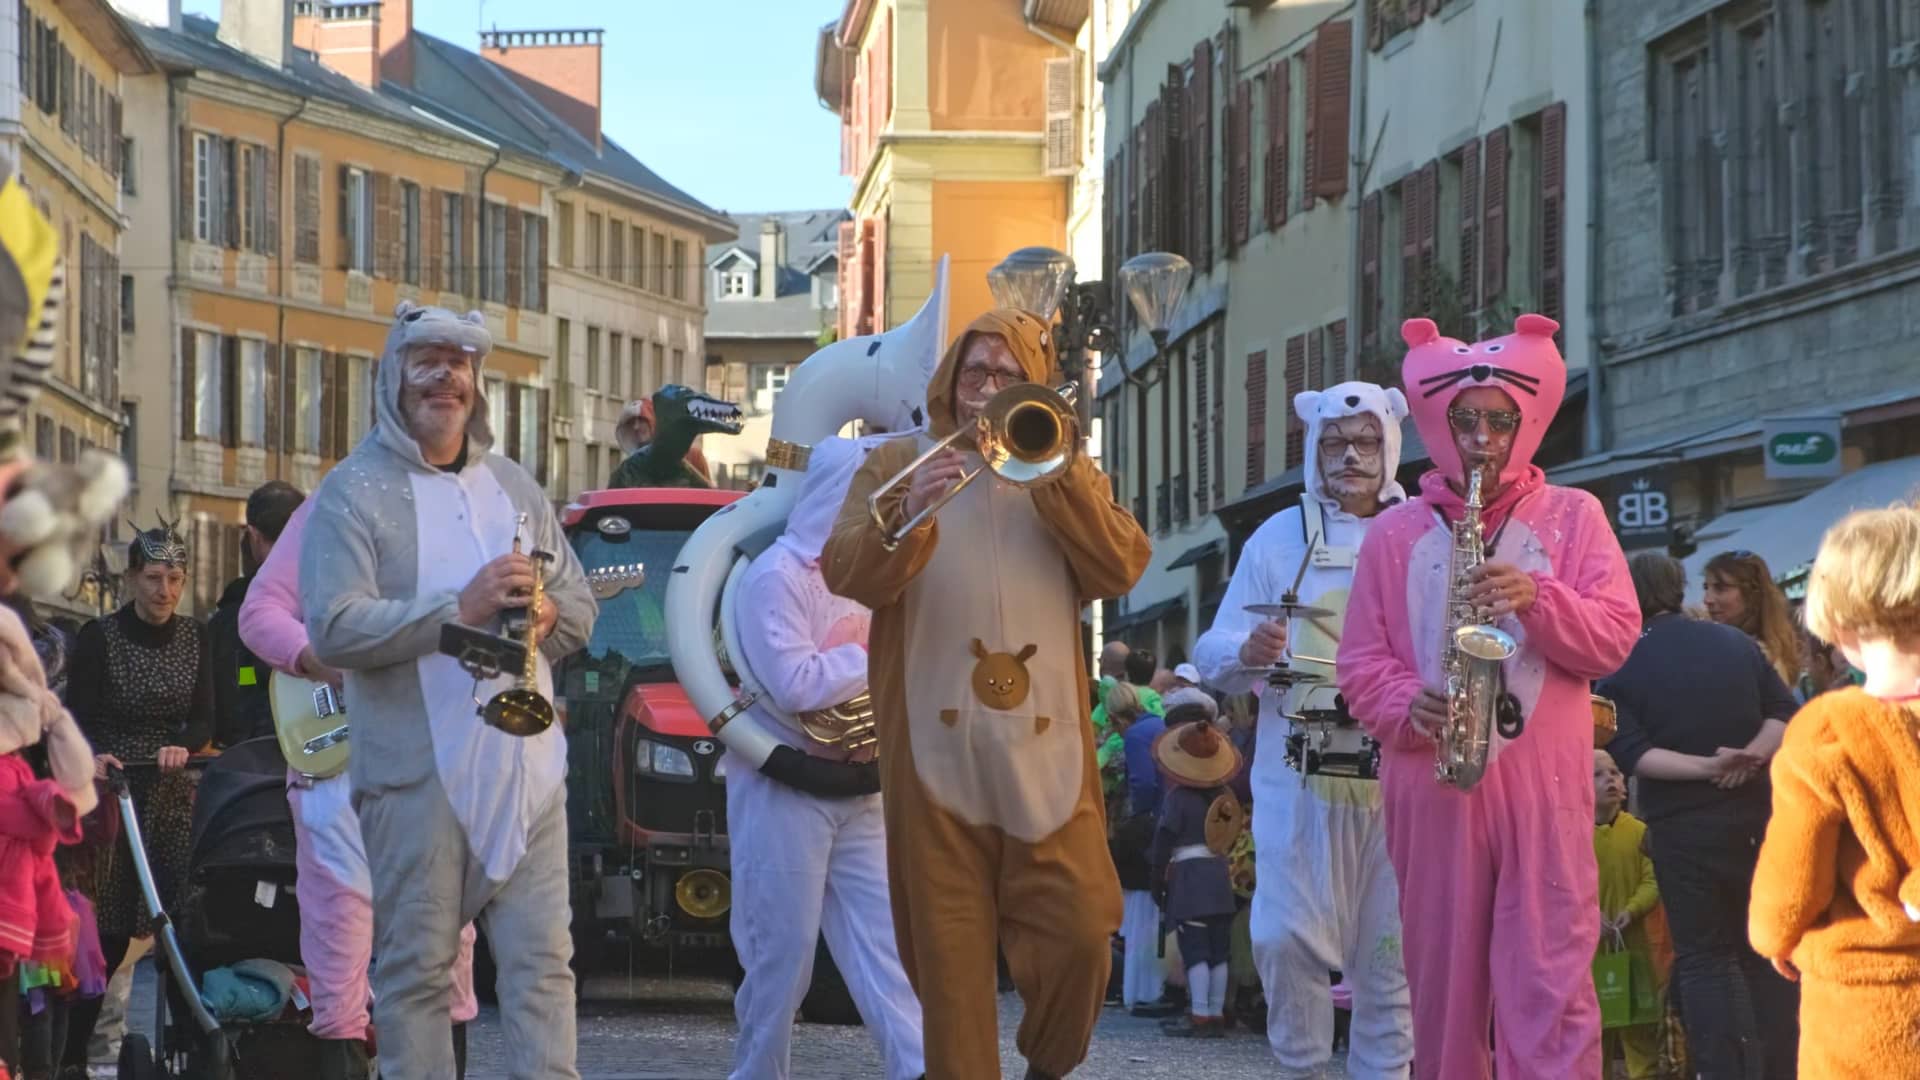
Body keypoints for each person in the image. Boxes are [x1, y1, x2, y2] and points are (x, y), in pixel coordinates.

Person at [821, 308, 1151, 1080]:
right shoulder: (896, 462)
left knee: (1082, 931)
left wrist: (1060, 479)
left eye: (1009, 375)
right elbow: (846, 571)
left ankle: (1047, 1064)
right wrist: (907, 510)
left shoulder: (1066, 470)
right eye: (977, 373)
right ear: (950, 382)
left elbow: (1121, 567)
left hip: (1049, 761)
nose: (990, 389)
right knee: (950, 980)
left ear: (1034, 385)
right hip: (937, 768)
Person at [1338, 315, 1641, 1079]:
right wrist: (1407, 703)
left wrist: (1536, 597)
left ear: (1526, 423)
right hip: (1433, 780)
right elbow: (1360, 661)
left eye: (1499, 422)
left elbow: (1612, 637)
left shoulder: (1577, 517)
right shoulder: (1393, 534)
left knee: (1551, 977)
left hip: (1547, 788)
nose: (1481, 441)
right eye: (1464, 422)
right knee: (1442, 988)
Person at [299, 303, 596, 1079]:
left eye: (459, 365)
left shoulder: (515, 487)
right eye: (427, 362)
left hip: (528, 771)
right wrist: (455, 613)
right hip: (415, 773)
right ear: (393, 376)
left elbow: (582, 613)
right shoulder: (352, 491)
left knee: (544, 970)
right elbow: (332, 628)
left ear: (478, 384)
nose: (446, 379)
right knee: (416, 974)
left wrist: (549, 611)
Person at [1192, 379, 1415, 1080]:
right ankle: (1302, 1068)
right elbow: (1210, 651)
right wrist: (1244, 652)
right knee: (1282, 936)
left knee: (1392, 956)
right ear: (1313, 447)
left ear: (1392, 444)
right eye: (1335, 443)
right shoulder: (1276, 536)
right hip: (1298, 776)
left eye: (1366, 442)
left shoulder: (1421, 532)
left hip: (1396, 777)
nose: (1350, 456)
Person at [239, 493, 480, 1077]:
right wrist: (315, 657)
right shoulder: (333, 506)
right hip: (336, 771)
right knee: (337, 951)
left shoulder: (477, 508)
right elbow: (260, 611)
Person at [725, 434, 925, 1080]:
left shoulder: (877, 575)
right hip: (785, 786)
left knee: (888, 947)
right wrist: (887, 658)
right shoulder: (775, 576)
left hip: (860, 782)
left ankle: (919, 1068)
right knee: (780, 956)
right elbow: (795, 683)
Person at [1597, 552, 1800, 1078]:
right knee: (1763, 950)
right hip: (1755, 817)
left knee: (1704, 959)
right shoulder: (1734, 643)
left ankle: (1721, 1068)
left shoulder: (1619, 663)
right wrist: (1750, 756)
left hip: (1680, 828)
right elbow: (1785, 713)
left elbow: (1635, 755)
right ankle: (1782, 1066)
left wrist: (1707, 766)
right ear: (1677, 587)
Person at [1750, 503, 1920, 1078]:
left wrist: (1776, 934)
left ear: (1840, 629)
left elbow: (1794, 876)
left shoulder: (1828, 729)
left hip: (1866, 1004)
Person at [59, 523, 215, 1071]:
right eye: (152, 578)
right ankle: (73, 1053)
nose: (164, 591)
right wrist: (97, 756)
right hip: (115, 792)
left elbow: (205, 715)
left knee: (180, 925)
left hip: (171, 794)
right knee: (112, 930)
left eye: (174, 579)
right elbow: (76, 716)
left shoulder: (197, 637)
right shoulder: (101, 638)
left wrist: (185, 745)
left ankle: (195, 1043)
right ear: (130, 578)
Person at [1147, 720, 1244, 1039]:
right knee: (1219, 948)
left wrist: (1156, 878)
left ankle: (1200, 1014)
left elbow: (1163, 841)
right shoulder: (1226, 795)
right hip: (1219, 876)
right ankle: (1216, 1012)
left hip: (1190, 879)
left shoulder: (1177, 799)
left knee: (1195, 947)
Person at [208, 481, 305, 748]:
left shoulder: (238, 611)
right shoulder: (334, 591)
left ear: (253, 536)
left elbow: (238, 681)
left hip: (258, 751)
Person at [1592, 749, 1662, 1079]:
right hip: (1587, 958)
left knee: (1641, 1041)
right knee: (1592, 1044)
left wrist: (1631, 910)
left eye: (1616, 773)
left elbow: (1653, 879)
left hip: (1635, 953)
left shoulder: (1639, 832)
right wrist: (1588, 915)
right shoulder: (1574, 835)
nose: (1611, 780)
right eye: (1598, 775)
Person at [1103, 681, 1169, 1017]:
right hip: (1168, 820)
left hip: (1148, 828)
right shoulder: (1157, 725)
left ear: (1116, 716)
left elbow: (1142, 783)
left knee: (1140, 908)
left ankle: (1139, 989)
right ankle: (1154, 986)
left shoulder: (1134, 736)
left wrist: (1136, 819)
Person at [1702, 550, 1801, 687]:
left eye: (1720, 588)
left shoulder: (1758, 656)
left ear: (1752, 595)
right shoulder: (1743, 648)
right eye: (1706, 587)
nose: (1707, 599)